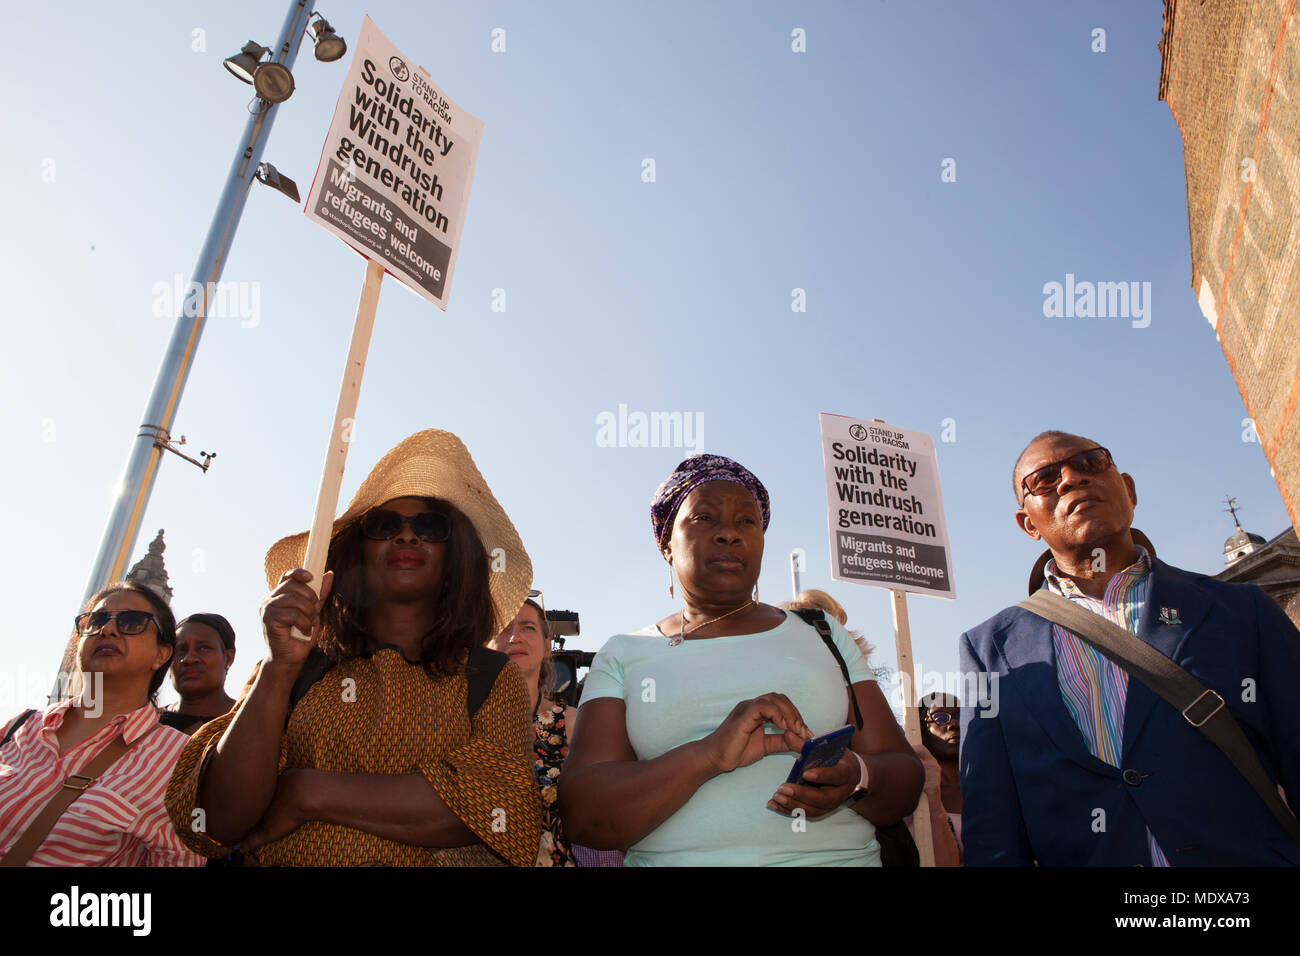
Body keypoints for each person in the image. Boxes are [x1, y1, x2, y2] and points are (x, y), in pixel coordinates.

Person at [165, 429, 542, 866]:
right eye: (384, 526)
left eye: (430, 527)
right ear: (354, 552)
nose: (407, 536)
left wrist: (305, 792)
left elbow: (501, 812)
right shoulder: (294, 665)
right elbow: (217, 819)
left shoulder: (491, 676)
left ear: (455, 557)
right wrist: (278, 668)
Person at [560, 454, 922, 866]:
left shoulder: (822, 633)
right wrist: (708, 755)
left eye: (746, 521)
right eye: (704, 519)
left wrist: (858, 777)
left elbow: (905, 779)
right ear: (666, 545)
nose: (728, 533)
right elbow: (584, 816)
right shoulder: (624, 653)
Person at [960, 430, 1300, 865]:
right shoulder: (989, 649)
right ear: (1028, 522)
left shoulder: (1242, 611)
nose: (1070, 480)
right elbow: (993, 827)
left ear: (1129, 490)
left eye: (1089, 464)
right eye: (1044, 479)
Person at [0, 582, 203, 866]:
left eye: (132, 622)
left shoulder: (179, 759)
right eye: (95, 621)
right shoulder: (21, 725)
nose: (107, 630)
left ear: (162, 654)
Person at [488, 596, 577, 866]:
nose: (515, 637)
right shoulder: (460, 723)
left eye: (527, 627)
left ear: (548, 647)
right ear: (484, 647)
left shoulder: (574, 724)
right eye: (503, 629)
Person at [906, 692, 962, 866]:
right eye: (941, 717)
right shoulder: (913, 796)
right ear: (921, 730)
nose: (954, 725)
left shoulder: (991, 784)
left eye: (960, 715)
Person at [161, 613, 237, 735]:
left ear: (228, 658)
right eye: (181, 650)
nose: (189, 659)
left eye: (204, 648)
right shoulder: (144, 727)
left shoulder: (247, 722)